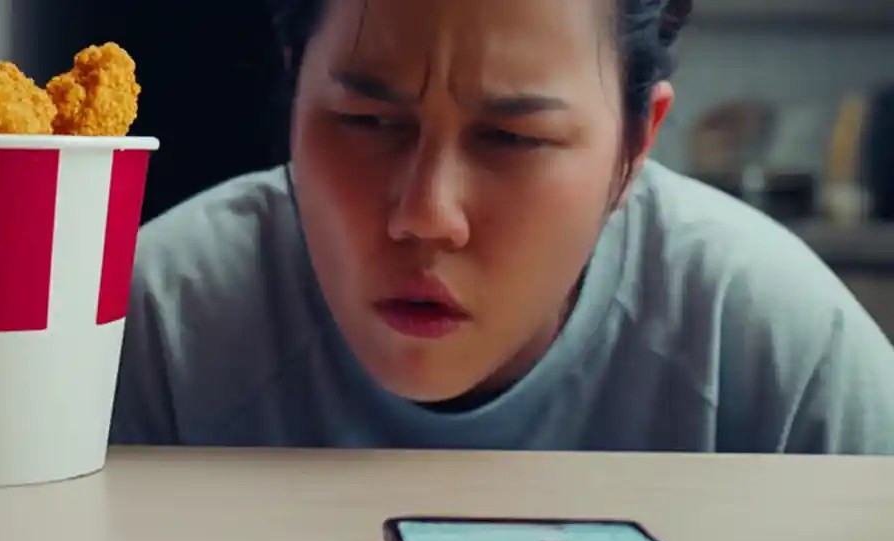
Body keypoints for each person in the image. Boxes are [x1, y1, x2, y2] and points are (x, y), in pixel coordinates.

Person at [109, 0, 894, 454]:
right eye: (365, 120)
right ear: (293, 92)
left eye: (514, 139)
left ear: (635, 146)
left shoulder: (779, 348)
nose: (426, 215)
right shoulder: (154, 327)